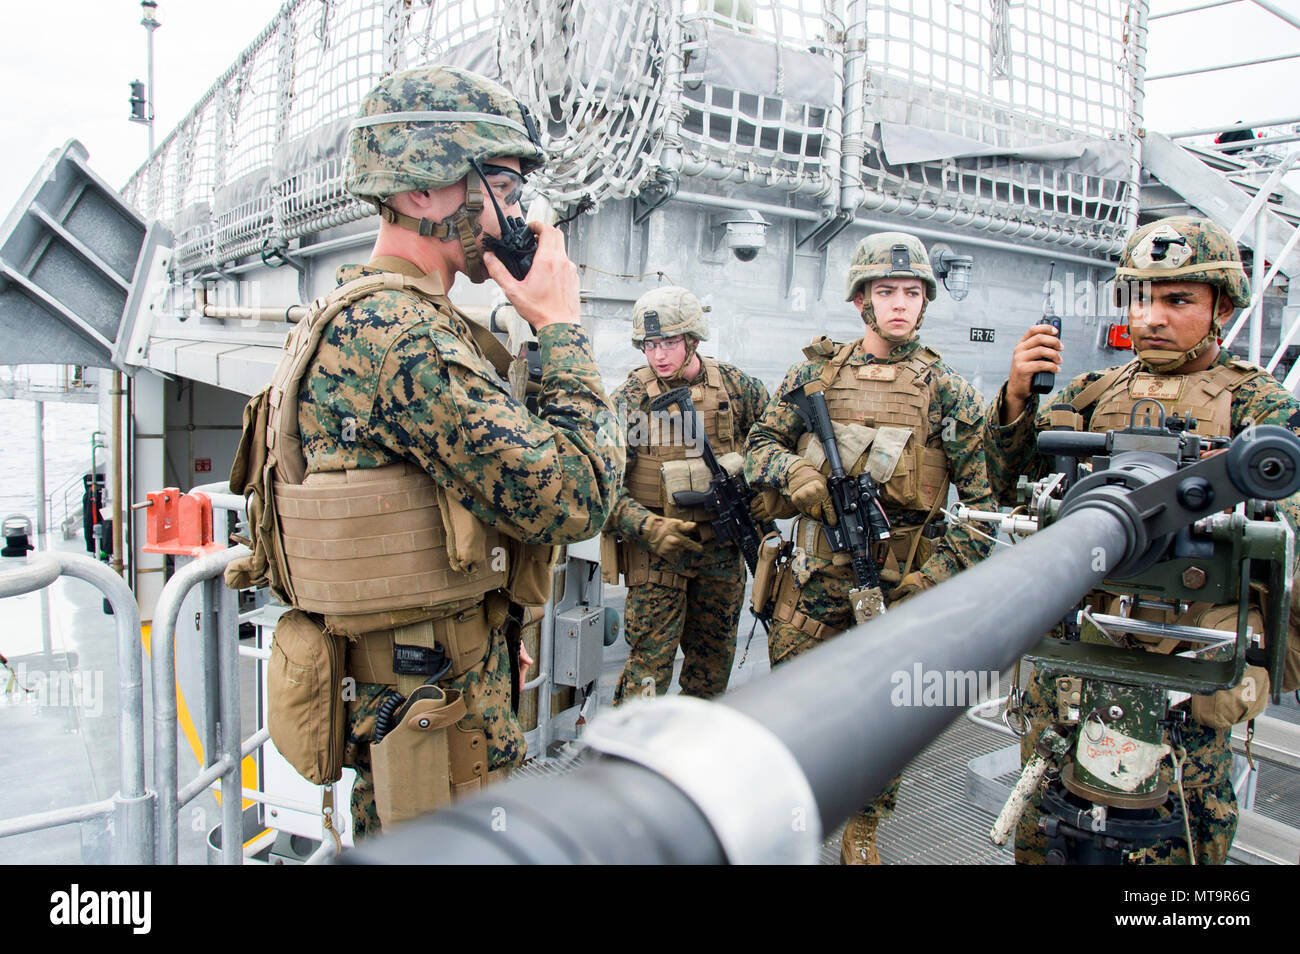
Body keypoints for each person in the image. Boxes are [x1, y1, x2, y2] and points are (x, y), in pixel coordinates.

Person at [290, 66, 622, 837]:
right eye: (502, 183)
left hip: (431, 682)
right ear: (424, 193)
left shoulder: (362, 315)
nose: (517, 212)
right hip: (434, 715)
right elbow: (576, 495)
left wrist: (489, 634)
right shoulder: (405, 341)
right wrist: (561, 328)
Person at [985, 215, 1300, 864]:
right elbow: (1008, 481)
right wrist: (1016, 398)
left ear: (1221, 308)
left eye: (1177, 299)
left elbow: (1288, 543)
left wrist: (1267, 657)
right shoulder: (1090, 396)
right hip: (1076, 672)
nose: (1152, 316)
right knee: (1043, 840)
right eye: (1140, 297)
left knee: (1173, 848)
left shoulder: (1261, 411)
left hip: (1182, 681)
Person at [744, 232, 997, 864]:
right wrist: (797, 475)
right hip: (810, 584)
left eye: (913, 293)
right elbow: (758, 446)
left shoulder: (947, 390)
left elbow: (987, 511)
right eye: (886, 291)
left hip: (896, 587)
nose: (901, 305)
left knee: (881, 722)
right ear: (862, 300)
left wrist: (930, 582)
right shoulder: (814, 376)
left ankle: (863, 828)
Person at [604, 286, 770, 704]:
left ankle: (694, 758)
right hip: (658, 555)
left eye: (670, 343)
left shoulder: (736, 388)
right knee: (647, 675)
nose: (658, 355)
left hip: (722, 549)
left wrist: (763, 510)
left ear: (693, 340)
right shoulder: (629, 400)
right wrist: (649, 527)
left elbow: (771, 446)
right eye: (650, 344)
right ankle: (629, 761)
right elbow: (599, 487)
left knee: (711, 673)